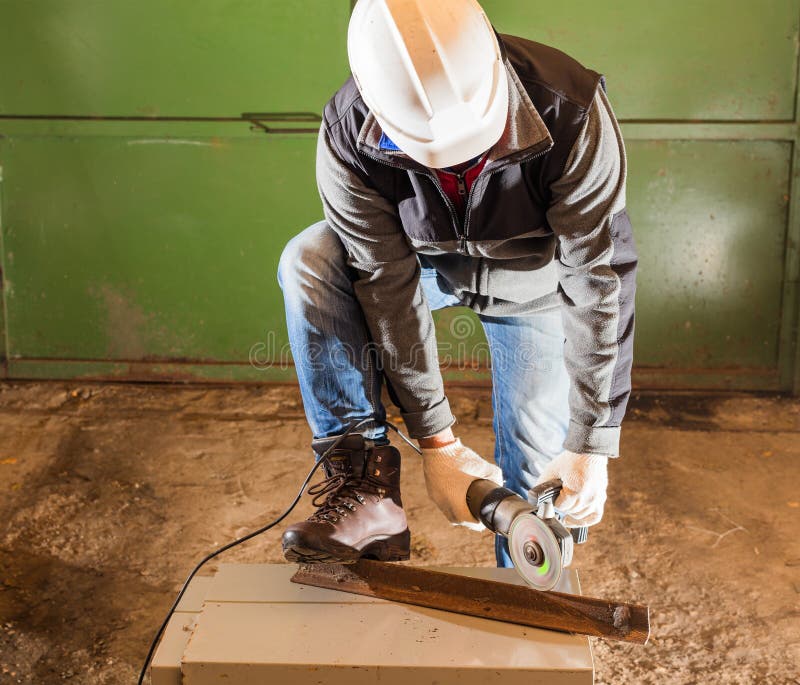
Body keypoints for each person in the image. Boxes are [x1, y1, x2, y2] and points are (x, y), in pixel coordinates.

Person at [278, 0, 637, 568]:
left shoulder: (569, 107)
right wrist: (436, 441)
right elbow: (385, 281)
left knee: (540, 475)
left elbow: (597, 275)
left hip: (539, 283)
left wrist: (591, 440)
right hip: (424, 264)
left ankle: (529, 589)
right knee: (311, 257)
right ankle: (367, 490)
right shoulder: (349, 129)